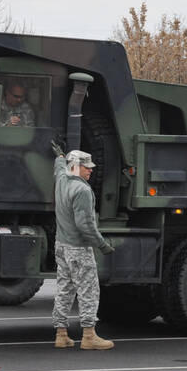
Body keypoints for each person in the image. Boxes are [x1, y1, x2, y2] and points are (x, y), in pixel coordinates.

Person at [51, 143, 115, 349]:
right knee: (89, 290)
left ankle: (61, 334)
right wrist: (102, 244)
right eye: (86, 167)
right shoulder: (81, 190)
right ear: (75, 166)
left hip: (61, 245)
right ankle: (89, 336)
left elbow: (59, 167)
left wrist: (60, 156)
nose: (90, 170)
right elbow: (85, 225)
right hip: (78, 248)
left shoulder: (62, 180)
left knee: (64, 287)